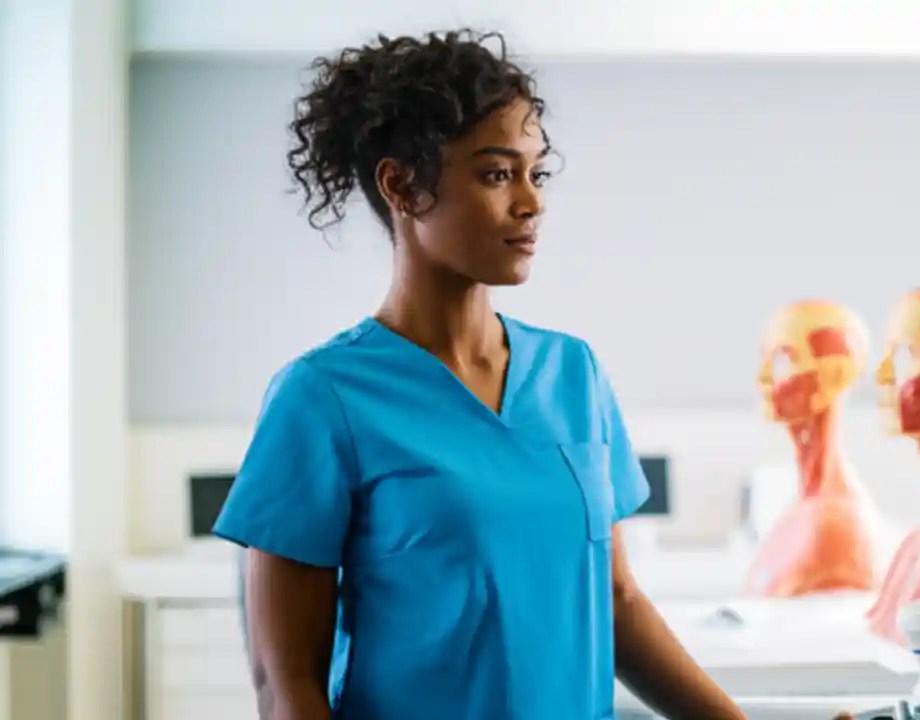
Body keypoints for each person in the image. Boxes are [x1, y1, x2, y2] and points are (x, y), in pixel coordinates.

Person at [212, 29, 777, 720]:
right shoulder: (323, 398)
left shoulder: (574, 373)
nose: (531, 203)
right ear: (403, 185)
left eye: (535, 174)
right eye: (495, 173)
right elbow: (285, 684)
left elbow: (617, 605)